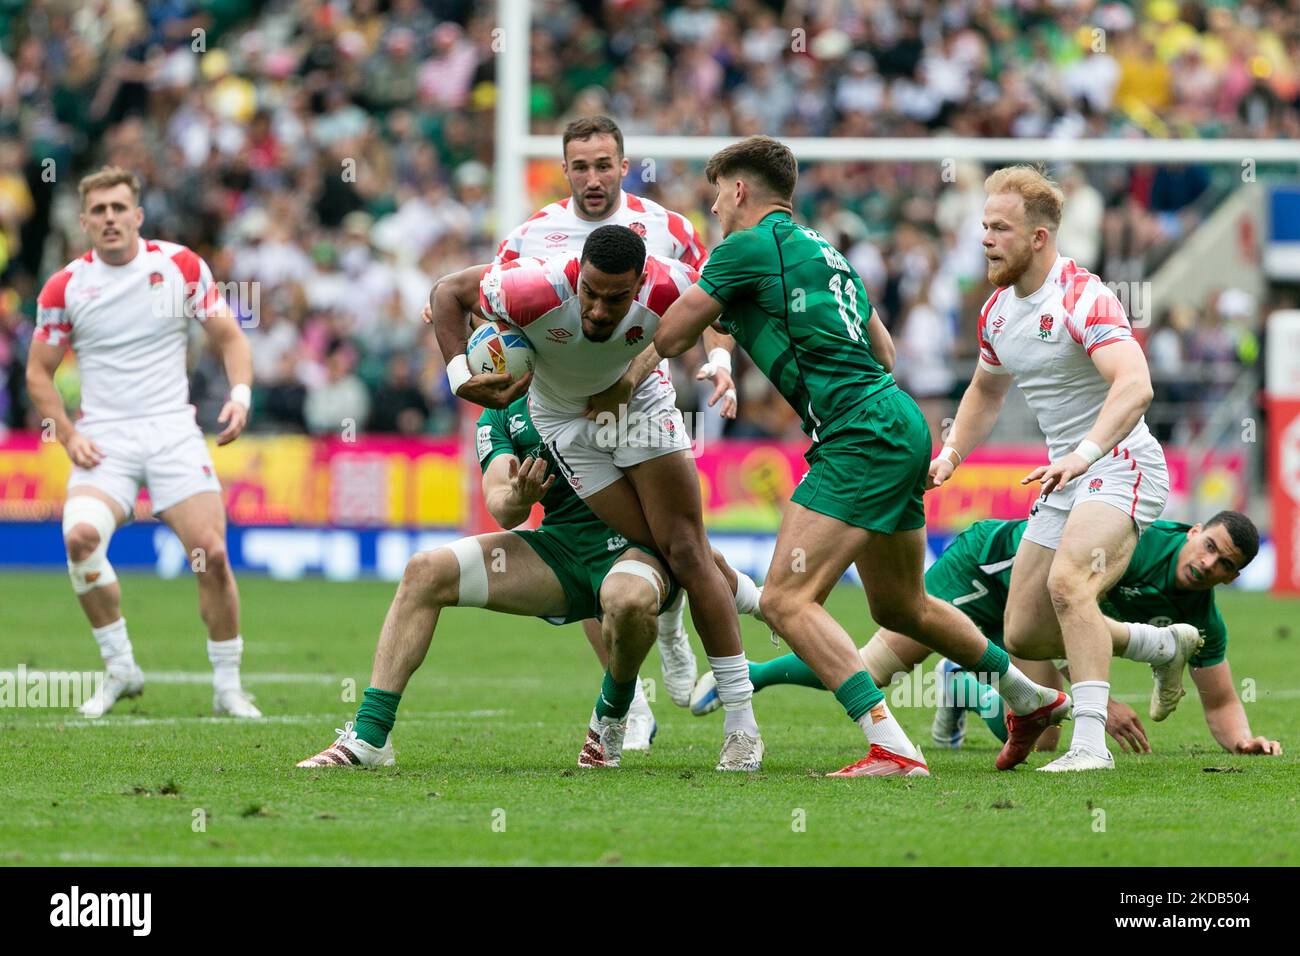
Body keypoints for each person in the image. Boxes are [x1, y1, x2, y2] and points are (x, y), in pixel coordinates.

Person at [656, 137, 1066, 777]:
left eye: (717, 196)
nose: (714, 209)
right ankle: (1026, 694)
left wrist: (634, 369)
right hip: (898, 417)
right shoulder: (825, 252)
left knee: (787, 602)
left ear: (739, 191)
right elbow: (886, 353)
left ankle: (892, 748)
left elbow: (670, 332)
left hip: (858, 434)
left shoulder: (744, 249)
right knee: (902, 607)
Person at [429, 227, 766, 771]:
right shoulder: (531, 288)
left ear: (641, 285)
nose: (599, 308)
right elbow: (446, 293)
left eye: (617, 298)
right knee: (661, 546)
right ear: (577, 273)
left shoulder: (674, 284)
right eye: (590, 291)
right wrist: (457, 376)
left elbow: (722, 313)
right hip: (563, 422)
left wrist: (635, 377)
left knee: (681, 547)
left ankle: (742, 725)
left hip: (638, 406)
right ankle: (743, 597)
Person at [297, 395, 752, 769]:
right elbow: (502, 506)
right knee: (424, 572)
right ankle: (370, 737)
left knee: (627, 600)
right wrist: (519, 494)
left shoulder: (599, 372)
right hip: (562, 549)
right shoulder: (498, 415)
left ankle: (612, 716)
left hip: (638, 545)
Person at [489, 115, 731, 747]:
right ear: (563, 169)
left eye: (604, 165)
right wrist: (489, 380)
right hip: (560, 411)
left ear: (624, 166)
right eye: (580, 166)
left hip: (639, 403)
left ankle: (674, 626)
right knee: (605, 546)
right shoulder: (530, 237)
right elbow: (494, 320)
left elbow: (711, 297)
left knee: (673, 541)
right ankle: (637, 697)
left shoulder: (669, 228)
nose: (593, 178)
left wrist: (717, 362)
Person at [930, 165, 1177, 772]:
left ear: (1039, 238)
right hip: (1065, 474)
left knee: (1071, 586)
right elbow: (985, 393)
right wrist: (951, 456)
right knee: (1024, 634)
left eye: (1000, 228)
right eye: (983, 226)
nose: (985, 238)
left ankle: (1089, 747)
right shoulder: (996, 312)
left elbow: (1136, 385)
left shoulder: (1084, 296)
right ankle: (1158, 644)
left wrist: (1084, 452)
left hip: (1119, 462)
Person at [693, 513, 1281, 759]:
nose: (1209, 565)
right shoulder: (1140, 542)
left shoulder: (1204, 617)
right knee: (872, 671)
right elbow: (1070, 606)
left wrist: (1244, 743)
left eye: (1225, 565)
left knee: (1045, 737)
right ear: (1195, 530)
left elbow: (1223, 700)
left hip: (1037, 617)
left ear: (1233, 577)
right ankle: (752, 676)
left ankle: (966, 688)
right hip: (992, 569)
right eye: (1209, 547)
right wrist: (1096, 700)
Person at [25, 166, 259, 718]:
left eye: (118, 208)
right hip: (104, 440)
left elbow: (229, 336)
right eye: (98, 211)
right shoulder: (65, 286)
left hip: (173, 433)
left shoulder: (178, 266)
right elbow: (38, 371)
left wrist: (241, 395)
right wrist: (68, 433)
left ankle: (227, 686)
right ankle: (121, 668)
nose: (109, 218)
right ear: (84, 222)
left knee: (214, 556)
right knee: (80, 538)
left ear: (138, 215)